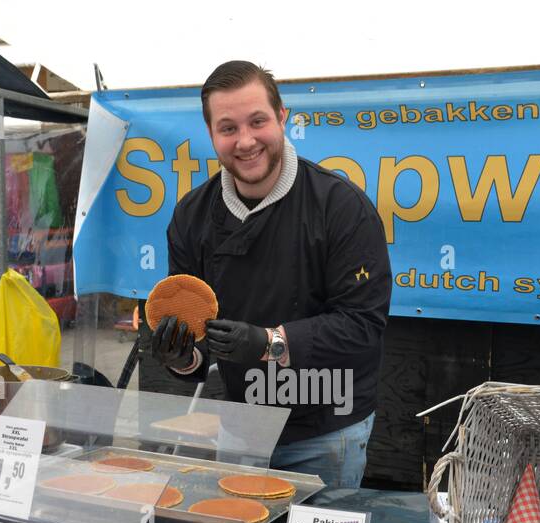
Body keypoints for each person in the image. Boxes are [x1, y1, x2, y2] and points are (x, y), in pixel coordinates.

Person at [151, 60, 391, 488]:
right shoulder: (192, 215)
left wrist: (269, 343)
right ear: (211, 135)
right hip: (240, 424)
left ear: (282, 117)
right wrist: (182, 358)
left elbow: (362, 325)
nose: (245, 141)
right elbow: (198, 339)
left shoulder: (340, 208)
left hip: (325, 429)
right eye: (228, 128)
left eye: (257, 121)